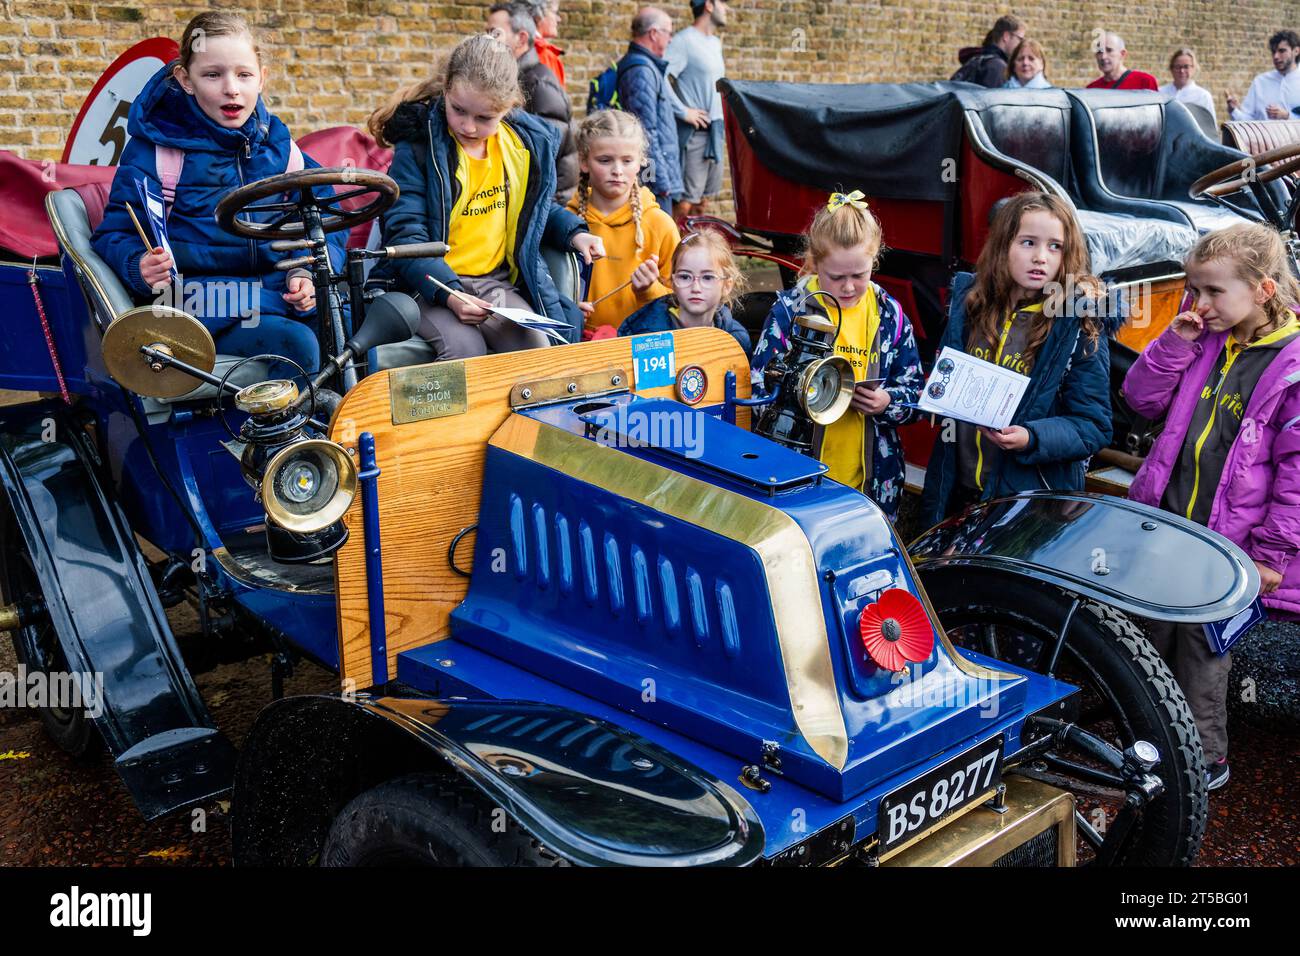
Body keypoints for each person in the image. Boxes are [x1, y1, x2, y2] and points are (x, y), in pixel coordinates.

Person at [1122, 223, 1300, 790]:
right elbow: (1140, 399)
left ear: (1264, 291)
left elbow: (1296, 480)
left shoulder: (1290, 370)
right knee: (1148, 630)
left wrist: (1271, 553)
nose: (1199, 303)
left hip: (1230, 543)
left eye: (1213, 291)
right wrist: (1173, 341)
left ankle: (1202, 760)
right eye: (1193, 289)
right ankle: (1146, 738)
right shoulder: (1200, 337)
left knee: (1202, 651)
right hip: (1169, 522)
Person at [91, 11, 347, 373]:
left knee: (354, 326)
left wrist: (303, 271)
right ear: (186, 79)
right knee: (298, 343)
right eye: (213, 74)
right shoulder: (158, 153)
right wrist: (139, 267)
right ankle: (287, 429)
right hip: (202, 303)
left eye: (244, 75)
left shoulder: (282, 149)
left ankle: (344, 425)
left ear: (262, 77)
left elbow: (327, 224)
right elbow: (114, 234)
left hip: (276, 294)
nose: (231, 88)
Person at [367, 34, 604, 358]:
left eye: (484, 118)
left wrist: (573, 232)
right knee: (465, 350)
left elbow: (534, 206)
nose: (468, 126)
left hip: (495, 282)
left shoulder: (523, 144)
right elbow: (407, 234)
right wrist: (450, 293)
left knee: (536, 349)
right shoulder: (419, 146)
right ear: (446, 90)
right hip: (426, 285)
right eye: (458, 110)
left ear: (508, 108)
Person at [920, 191, 1120, 526]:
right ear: (1003, 246)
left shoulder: (1078, 324)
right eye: (1028, 242)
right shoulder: (971, 306)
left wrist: (1032, 437)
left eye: (1055, 246)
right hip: (959, 489)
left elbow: (1094, 427)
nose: (1041, 257)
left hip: (1027, 504)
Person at [752, 191, 923, 520]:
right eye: (837, 277)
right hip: (797, 475)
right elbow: (759, 387)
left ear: (875, 260)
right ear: (815, 264)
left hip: (872, 483)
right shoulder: (792, 310)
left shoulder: (889, 314)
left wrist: (888, 402)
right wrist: (803, 393)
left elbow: (915, 390)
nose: (848, 287)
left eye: (860, 275)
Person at [568, 110, 680, 334]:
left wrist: (649, 290)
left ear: (640, 163)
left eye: (627, 161)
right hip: (580, 346)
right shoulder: (566, 223)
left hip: (644, 345)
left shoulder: (661, 225)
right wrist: (567, 310)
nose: (617, 171)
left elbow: (681, 304)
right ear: (583, 162)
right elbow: (548, 290)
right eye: (605, 160)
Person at [488, 1, 577, 203]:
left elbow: (548, 158)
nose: (487, 40)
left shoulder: (537, 85)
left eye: (495, 33)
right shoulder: (515, 80)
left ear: (521, 39)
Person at [620, 230, 750, 354]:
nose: (696, 288)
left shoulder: (736, 339)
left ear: (727, 285)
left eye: (708, 277)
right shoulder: (644, 335)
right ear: (672, 282)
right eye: (685, 277)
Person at [616, 7, 684, 215]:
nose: (671, 39)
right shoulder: (641, 71)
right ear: (654, 33)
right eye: (669, 33)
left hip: (656, 180)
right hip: (653, 184)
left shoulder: (647, 68)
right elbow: (646, 132)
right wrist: (659, 182)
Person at [666, 0, 728, 222]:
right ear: (709, 5)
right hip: (696, 134)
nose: (726, 9)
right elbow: (661, 77)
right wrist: (683, 111)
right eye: (722, 3)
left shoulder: (714, 43)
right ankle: (671, 254)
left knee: (703, 202)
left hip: (715, 131)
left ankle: (692, 253)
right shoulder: (683, 41)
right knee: (685, 203)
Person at [1227, 30, 1300, 121]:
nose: (1276, 56)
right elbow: (1248, 121)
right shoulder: (1260, 82)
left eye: (1282, 51)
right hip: (1263, 135)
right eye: (1273, 52)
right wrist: (1233, 110)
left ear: (1296, 51)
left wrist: (1287, 116)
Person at [951, 15, 1025, 88]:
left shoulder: (976, 59)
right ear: (1006, 36)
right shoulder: (997, 67)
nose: (1021, 44)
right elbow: (996, 99)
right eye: (1020, 39)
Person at [1160, 47, 1216, 123]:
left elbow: (1211, 128)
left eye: (1186, 67)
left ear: (1194, 68)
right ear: (1171, 68)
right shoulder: (1160, 92)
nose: (1182, 71)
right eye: (1177, 67)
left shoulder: (1203, 96)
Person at [1088, 32, 1159, 90]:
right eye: (1099, 52)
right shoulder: (1092, 89)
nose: (1103, 57)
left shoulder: (1145, 82)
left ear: (1122, 54)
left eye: (1109, 50)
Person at [527, 0, 566, 86]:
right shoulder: (543, 55)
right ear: (538, 15)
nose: (559, 19)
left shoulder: (516, 46)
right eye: (555, 12)